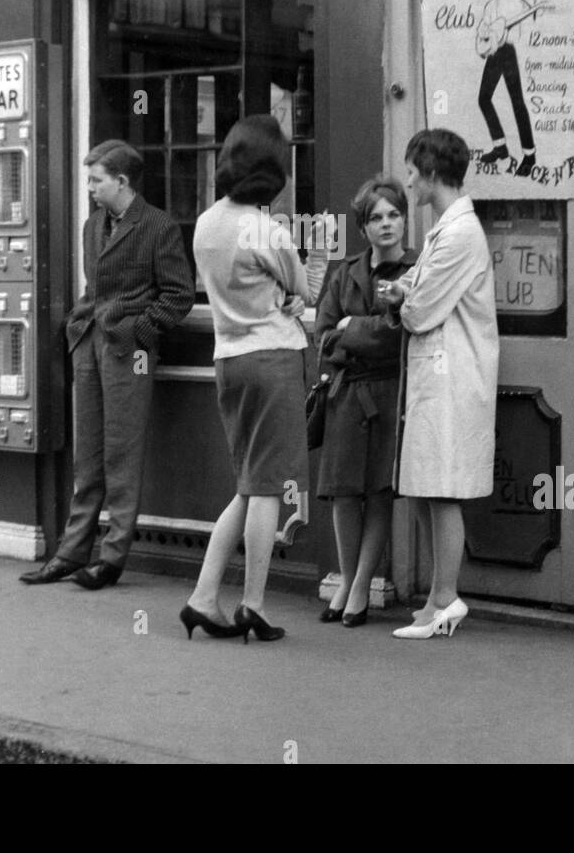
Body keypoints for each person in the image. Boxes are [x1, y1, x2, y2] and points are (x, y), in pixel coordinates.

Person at [20, 140, 194, 590]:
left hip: (129, 350)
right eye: (89, 179)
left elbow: (179, 295)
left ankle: (112, 558)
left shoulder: (158, 226)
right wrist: (79, 327)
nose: (90, 188)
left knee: (122, 454)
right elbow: (94, 288)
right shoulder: (92, 225)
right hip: (89, 342)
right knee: (88, 456)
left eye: (96, 180)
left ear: (122, 181)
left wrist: (139, 331)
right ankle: (71, 552)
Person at [181, 115, 316, 644]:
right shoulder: (267, 229)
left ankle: (203, 596)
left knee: (247, 485)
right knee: (268, 489)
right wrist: (296, 285)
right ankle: (253, 605)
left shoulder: (204, 224)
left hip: (228, 360)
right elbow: (304, 289)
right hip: (274, 359)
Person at [378, 129, 498, 640]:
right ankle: (435, 599)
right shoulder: (446, 230)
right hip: (440, 374)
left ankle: (446, 598)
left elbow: (422, 311)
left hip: (452, 376)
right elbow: (422, 293)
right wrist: (407, 291)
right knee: (429, 488)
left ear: (430, 173)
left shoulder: (459, 233)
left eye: (411, 171)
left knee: (442, 490)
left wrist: (403, 298)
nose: (407, 182)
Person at [314, 176, 417, 627]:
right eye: (376, 218)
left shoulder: (417, 270)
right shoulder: (346, 272)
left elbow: (400, 336)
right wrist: (363, 330)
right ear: (363, 227)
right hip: (346, 393)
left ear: (405, 220)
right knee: (342, 492)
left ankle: (359, 588)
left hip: (390, 393)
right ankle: (346, 579)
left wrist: (352, 328)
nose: (386, 224)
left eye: (394, 215)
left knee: (378, 493)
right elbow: (322, 336)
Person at [475, 0, 545, 176]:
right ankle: (500, 147)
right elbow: (485, 29)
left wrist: (532, 10)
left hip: (508, 52)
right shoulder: (490, 5)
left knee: (517, 102)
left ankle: (529, 154)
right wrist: (485, 32)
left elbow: (516, 22)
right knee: (483, 98)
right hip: (494, 53)